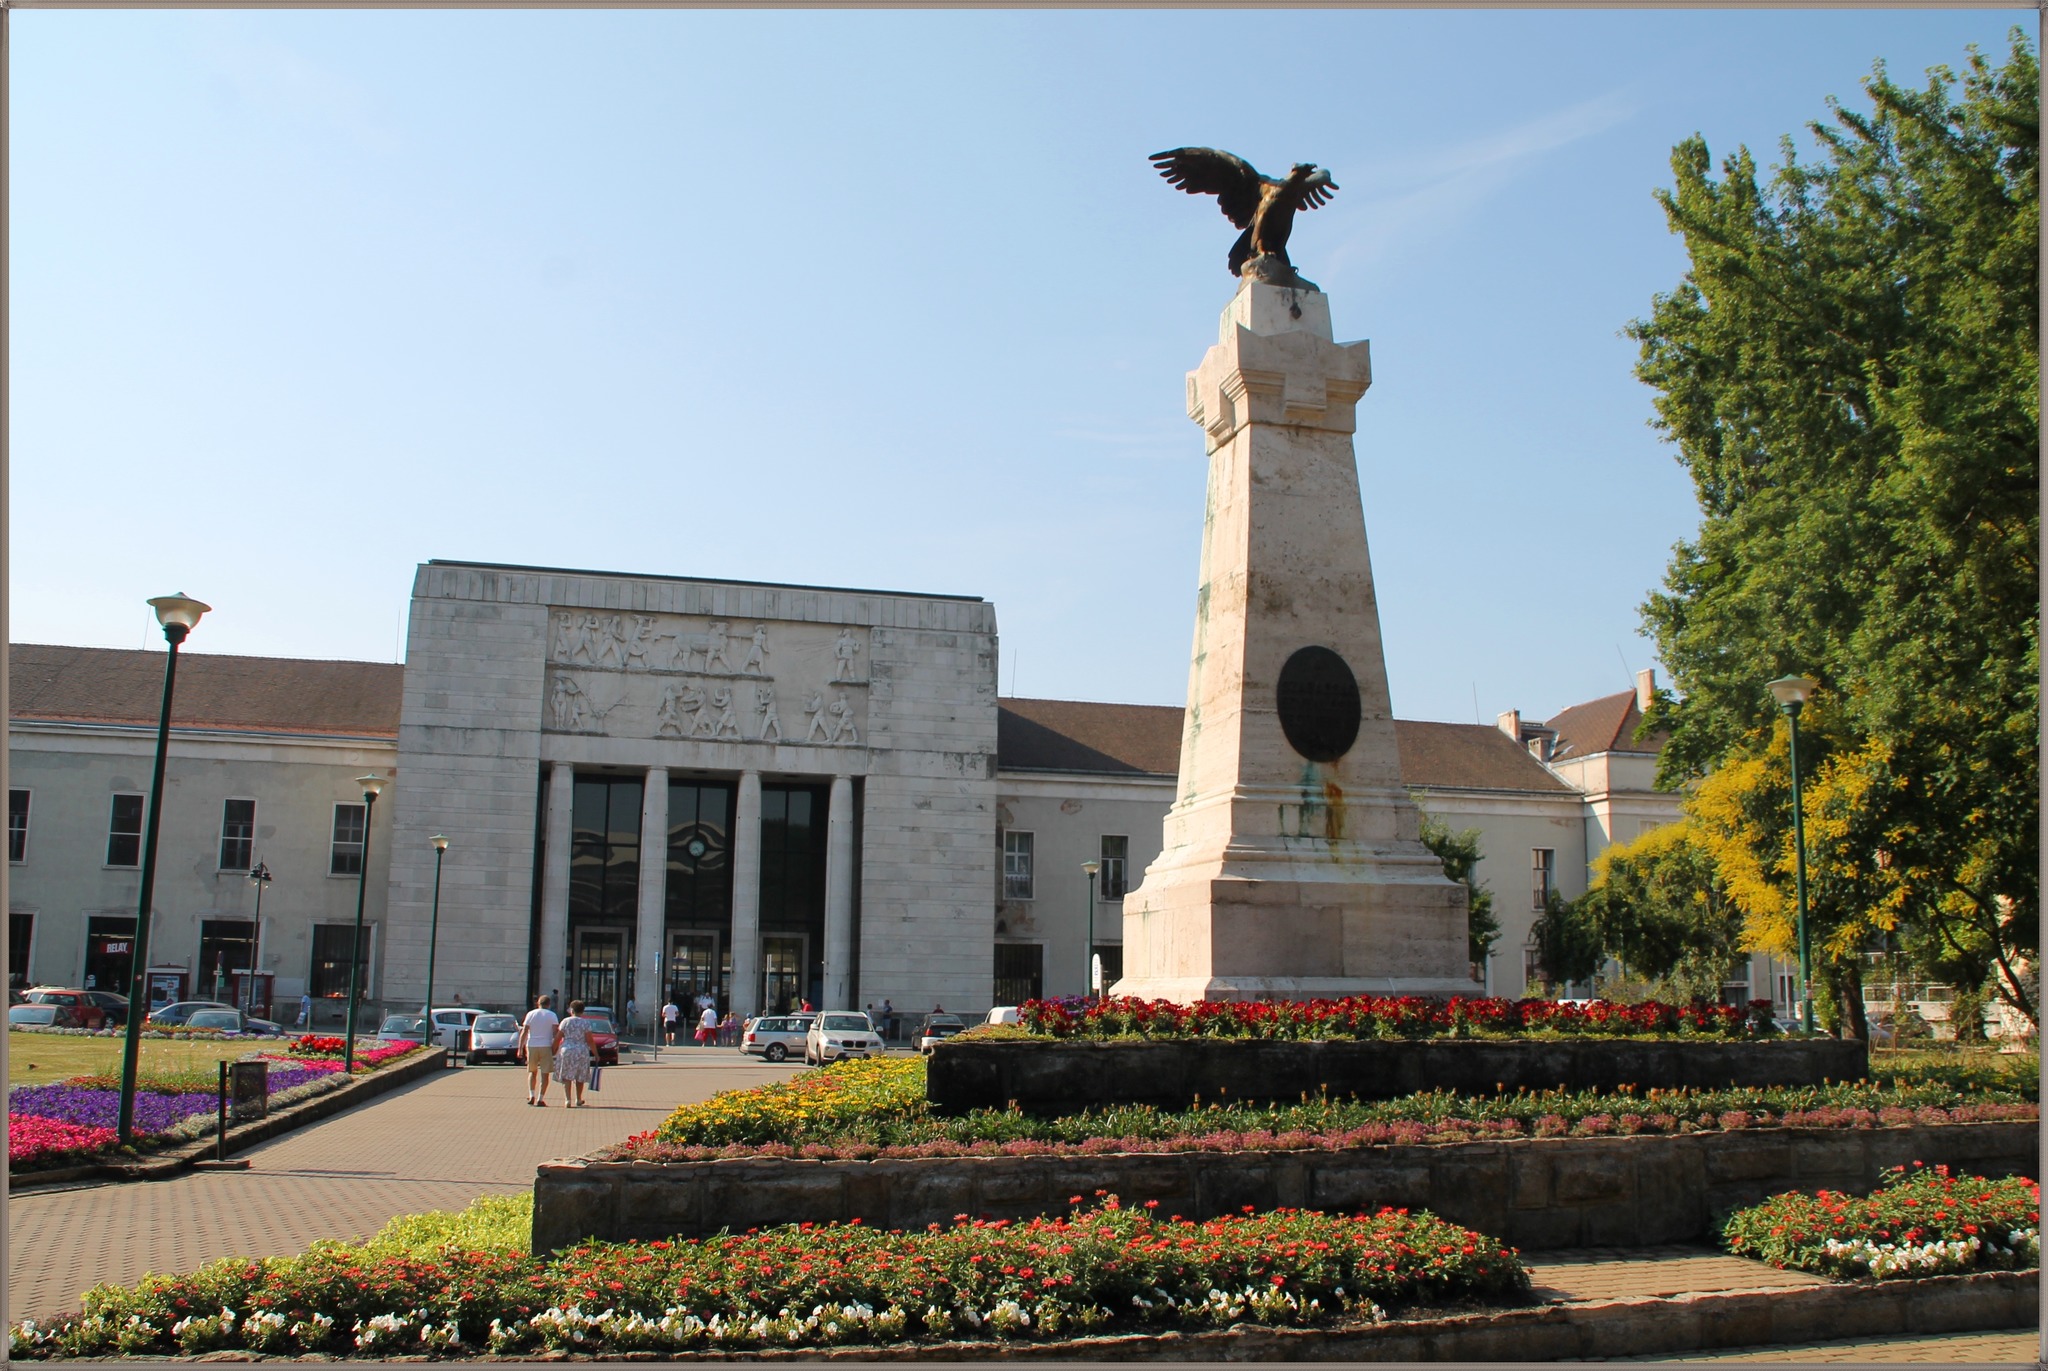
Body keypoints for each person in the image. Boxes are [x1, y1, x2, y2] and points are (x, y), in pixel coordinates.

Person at [518, 994, 561, 1106]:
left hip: (531, 1045)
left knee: (532, 1071)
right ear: (549, 1004)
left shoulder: (530, 1014)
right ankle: (540, 1098)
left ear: (538, 1003)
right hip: (546, 1045)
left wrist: (520, 1048)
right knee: (545, 1073)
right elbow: (555, 1033)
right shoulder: (552, 1015)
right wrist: (555, 1047)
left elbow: (524, 1031)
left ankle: (531, 1095)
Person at [553, 999, 596, 1108]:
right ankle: (578, 1098)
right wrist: (596, 1053)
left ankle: (567, 1100)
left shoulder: (565, 1021)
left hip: (567, 1050)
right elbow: (590, 1040)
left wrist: (553, 1049)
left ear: (571, 1010)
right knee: (580, 1076)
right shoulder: (585, 1023)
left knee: (567, 1076)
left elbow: (558, 1037)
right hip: (581, 1051)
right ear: (582, 1011)